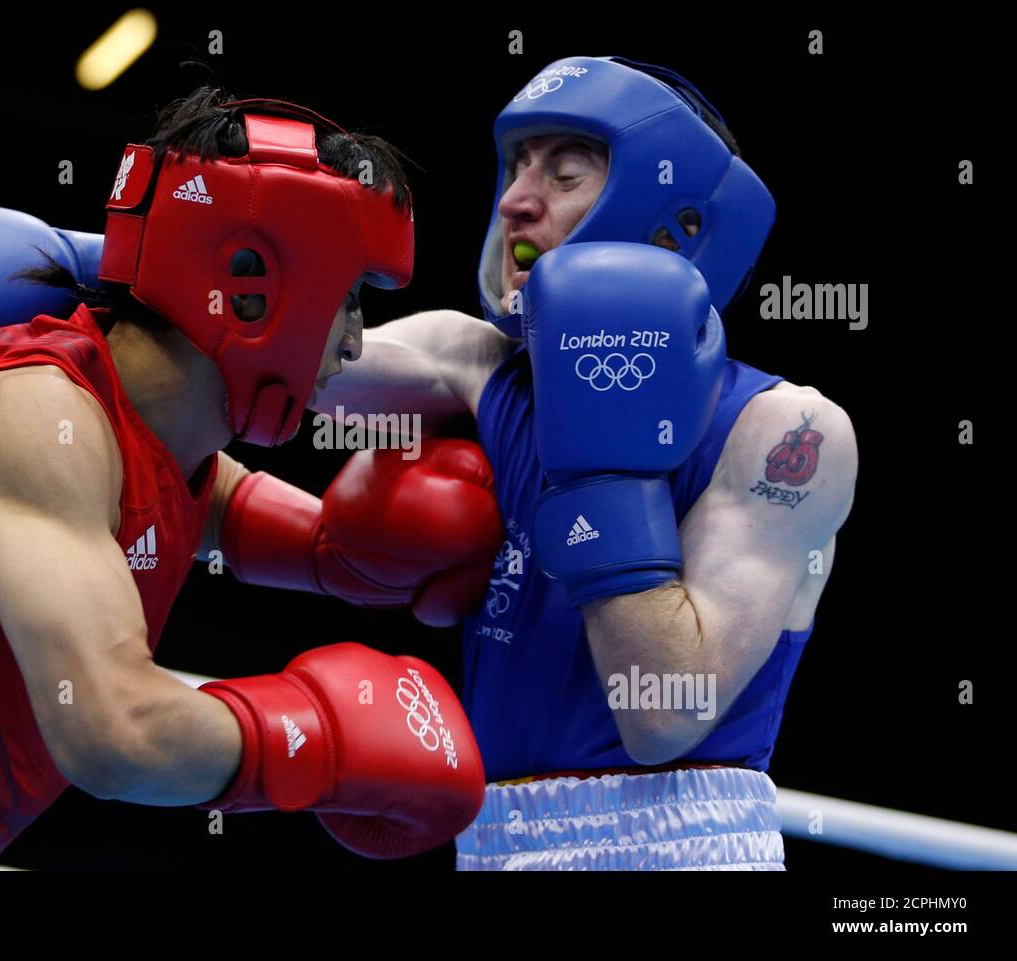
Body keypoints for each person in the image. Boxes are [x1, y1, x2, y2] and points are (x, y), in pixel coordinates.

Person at [0, 91, 499, 871]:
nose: (356, 341)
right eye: (350, 295)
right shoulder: (35, 418)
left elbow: (227, 511)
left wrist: (348, 553)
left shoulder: (156, 435)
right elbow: (115, 731)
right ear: (254, 283)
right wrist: (317, 741)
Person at [308, 57, 859, 870]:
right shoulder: (475, 360)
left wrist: (602, 445)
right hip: (491, 836)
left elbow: (664, 714)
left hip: (678, 845)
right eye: (517, 167)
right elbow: (292, 366)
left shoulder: (786, 430)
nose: (515, 199)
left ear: (674, 229)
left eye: (565, 172)